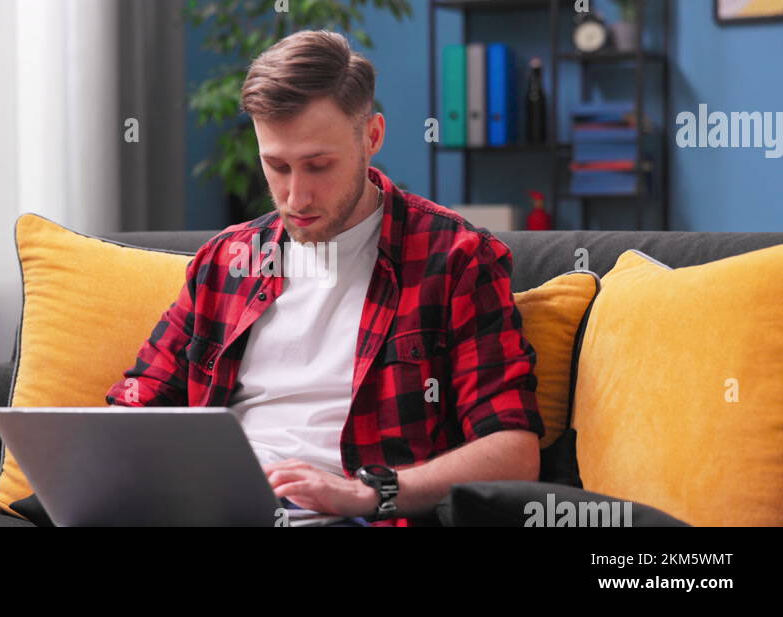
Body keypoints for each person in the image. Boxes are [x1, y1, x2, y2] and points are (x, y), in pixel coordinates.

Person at [106, 30, 544, 527]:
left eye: (318, 166)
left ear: (371, 136)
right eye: (277, 166)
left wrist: (365, 493)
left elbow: (511, 450)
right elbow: (139, 400)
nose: (296, 197)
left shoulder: (456, 260)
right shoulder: (225, 262)